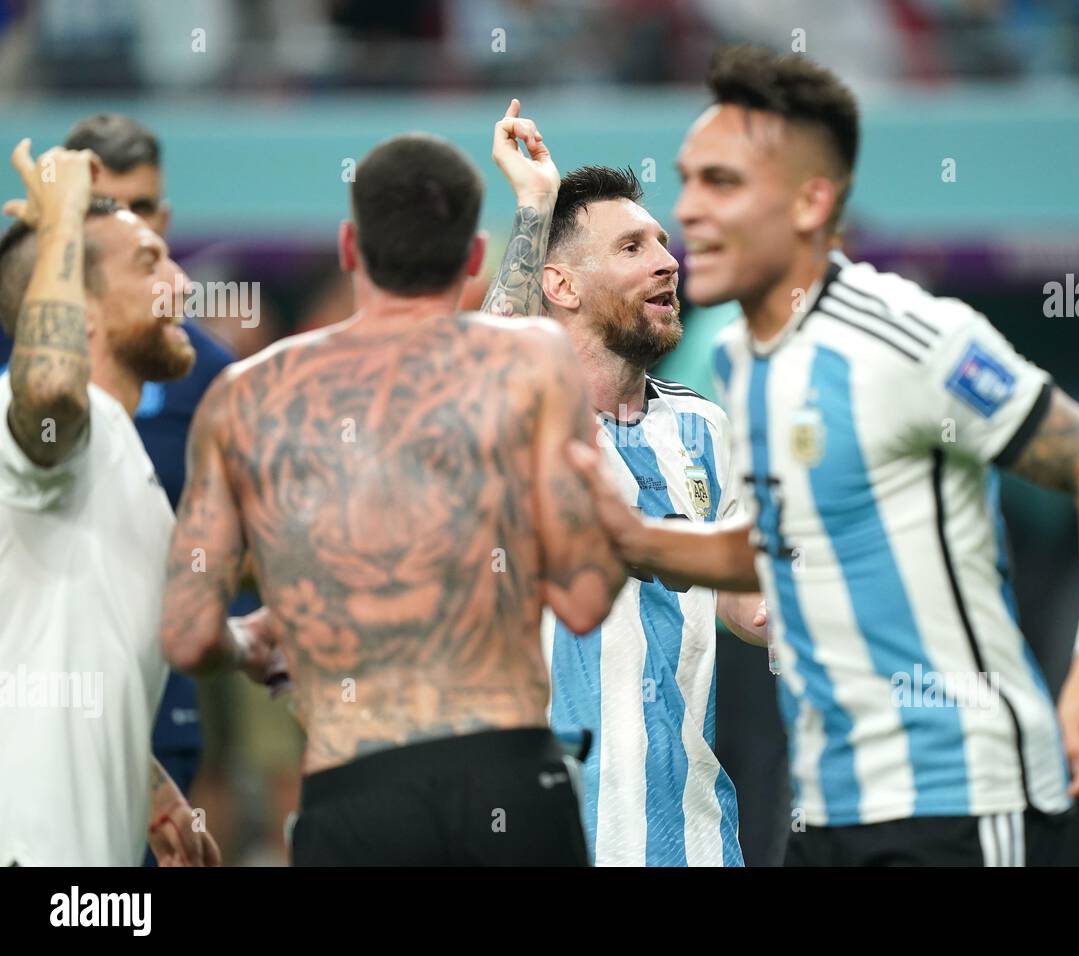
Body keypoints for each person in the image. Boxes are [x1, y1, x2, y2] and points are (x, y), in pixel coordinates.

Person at [569, 46, 1079, 866]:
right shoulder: (739, 361)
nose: (688, 221)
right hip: (833, 801)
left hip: (959, 796)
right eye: (689, 179)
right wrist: (641, 543)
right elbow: (768, 549)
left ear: (811, 201)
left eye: (722, 185)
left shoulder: (908, 336)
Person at [159, 132, 626, 866]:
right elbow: (584, 599)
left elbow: (186, 634)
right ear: (473, 258)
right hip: (506, 772)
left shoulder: (245, 395)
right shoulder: (536, 360)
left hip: (353, 789)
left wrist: (248, 640)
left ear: (349, 245)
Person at [482, 100, 765, 865]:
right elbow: (482, 369)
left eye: (665, 244)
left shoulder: (708, 427)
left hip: (694, 839)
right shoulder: (517, 422)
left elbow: (751, 608)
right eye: (633, 246)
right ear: (562, 286)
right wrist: (536, 203)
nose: (667, 261)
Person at [0, 140, 256, 865]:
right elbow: (46, 387)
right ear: (75, 311)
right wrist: (59, 227)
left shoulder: (118, 454)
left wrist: (142, 784)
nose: (181, 283)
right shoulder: (50, 414)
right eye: (149, 265)